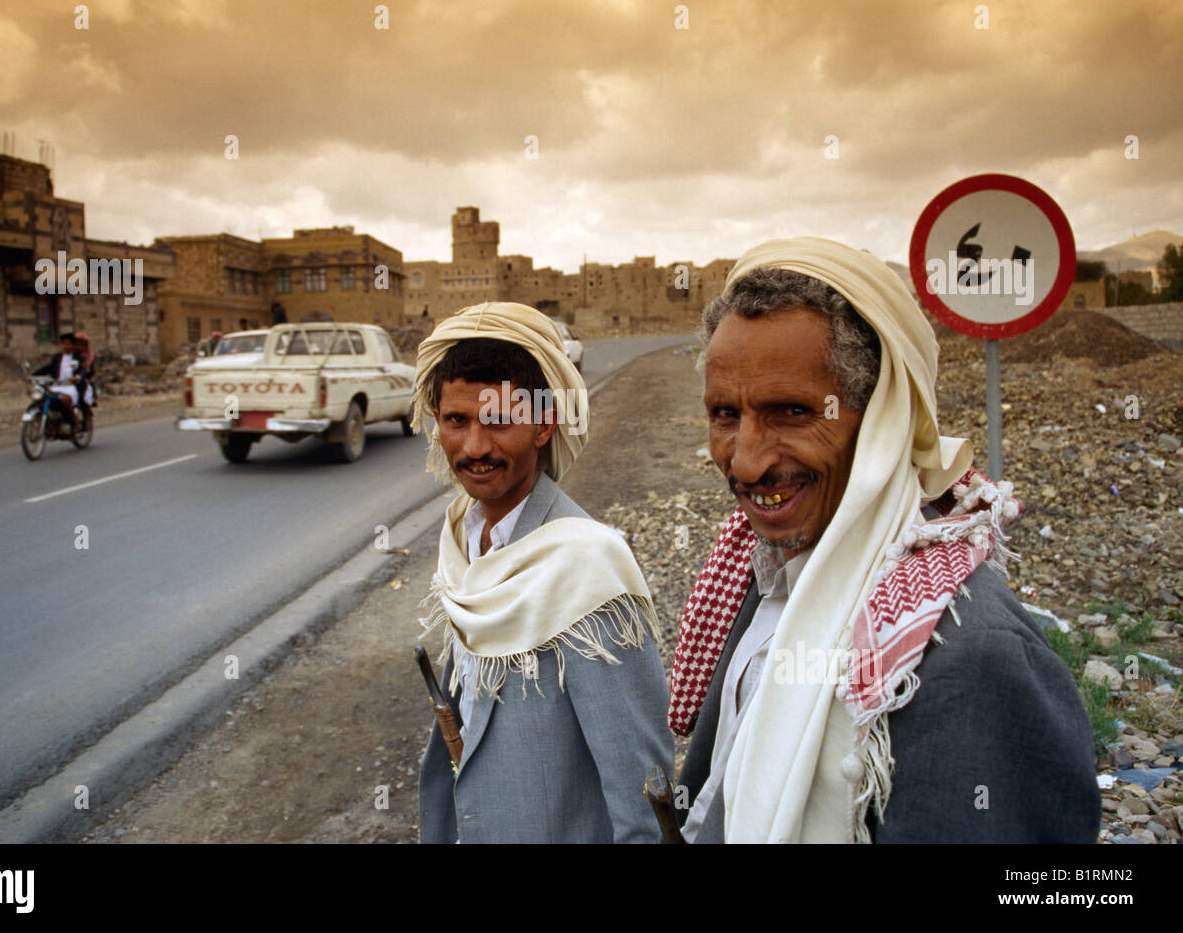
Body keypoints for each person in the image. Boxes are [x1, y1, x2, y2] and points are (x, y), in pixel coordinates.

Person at [670, 238, 1100, 843]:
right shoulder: (771, 569)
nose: (744, 463)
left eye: (790, 412)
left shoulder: (973, 659)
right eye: (724, 415)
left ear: (883, 416)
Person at [413, 301, 673, 843]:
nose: (476, 447)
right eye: (457, 421)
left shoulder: (586, 569)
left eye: (500, 421)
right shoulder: (463, 535)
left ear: (543, 423)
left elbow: (641, 792)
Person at [33, 332, 93, 422]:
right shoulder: (57, 358)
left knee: (65, 399)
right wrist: (32, 375)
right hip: (57, 386)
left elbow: (83, 370)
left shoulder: (79, 358)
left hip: (71, 386)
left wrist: (78, 377)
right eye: (64, 344)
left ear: (73, 345)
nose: (66, 346)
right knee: (42, 398)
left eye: (68, 344)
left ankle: (73, 420)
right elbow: (46, 368)